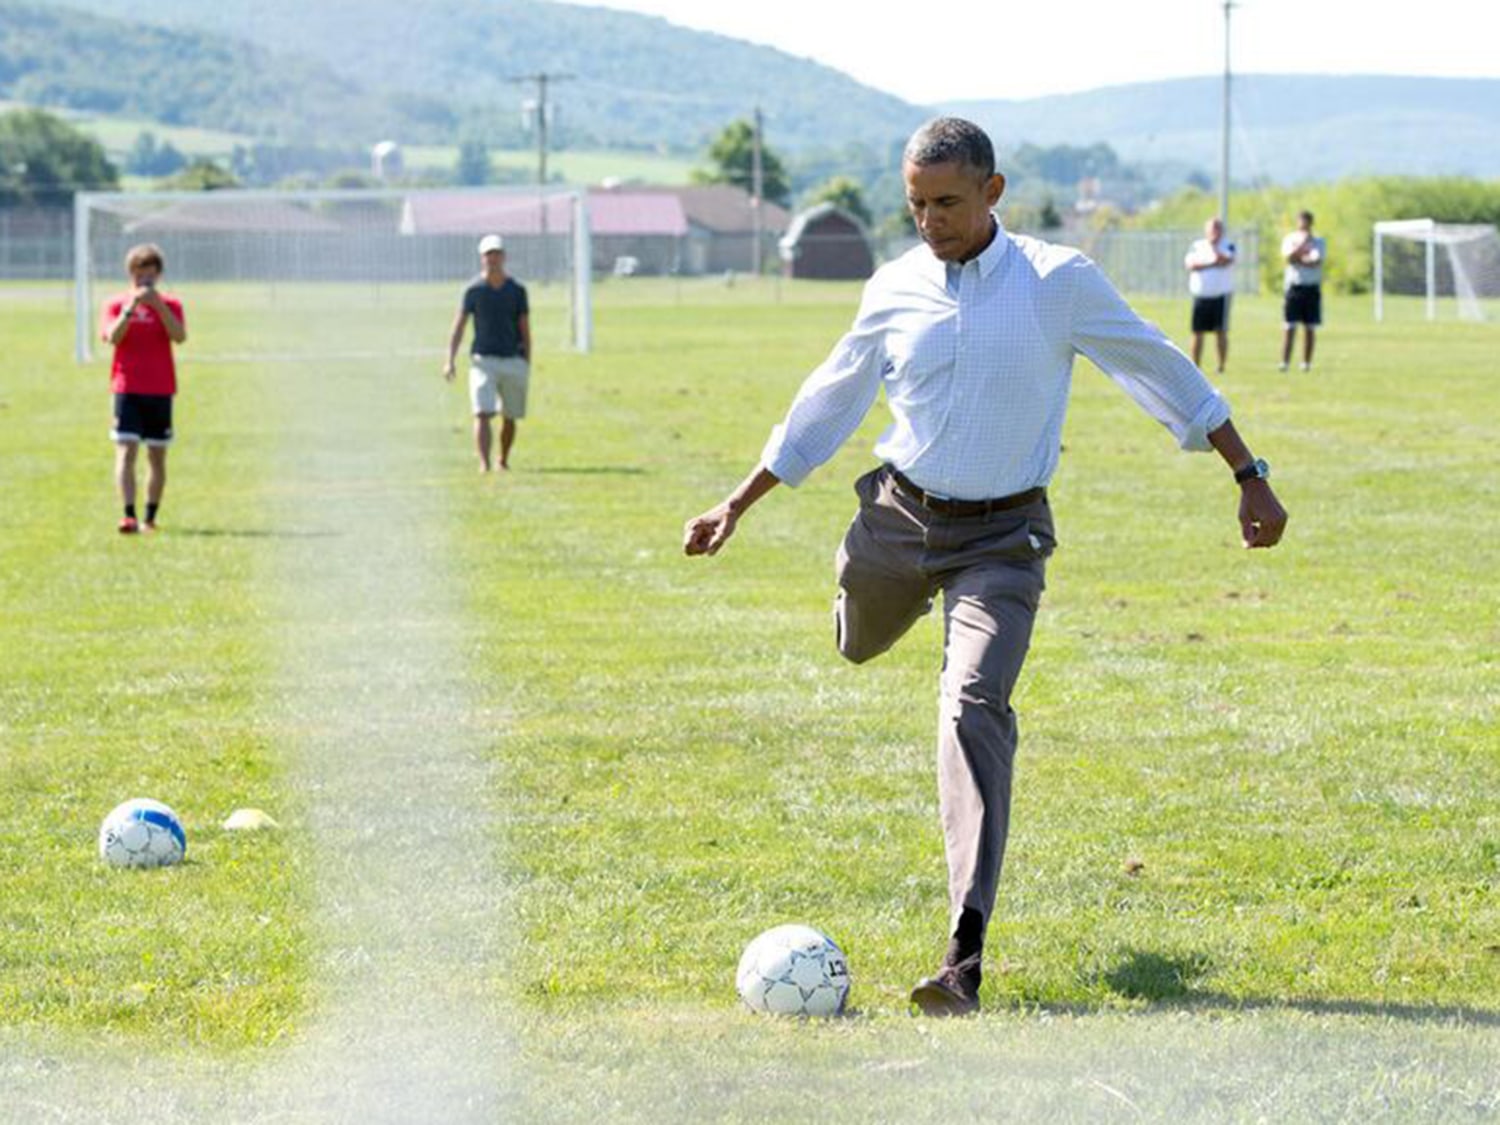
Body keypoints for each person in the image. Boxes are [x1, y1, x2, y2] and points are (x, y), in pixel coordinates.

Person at [682, 117, 1287, 1017]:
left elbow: (1156, 364)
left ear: (994, 192)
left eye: (949, 203)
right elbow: (829, 397)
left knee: (972, 705)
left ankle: (963, 954)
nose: (931, 220)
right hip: (896, 519)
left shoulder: (1056, 283)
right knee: (856, 643)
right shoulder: (892, 287)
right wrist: (737, 501)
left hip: (1002, 542)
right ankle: (893, 598)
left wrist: (1248, 472)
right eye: (917, 205)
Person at [100, 243, 187, 534]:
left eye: (149, 278)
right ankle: (128, 515)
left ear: (158, 276)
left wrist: (158, 305)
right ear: (130, 275)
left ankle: (150, 517)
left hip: (160, 389)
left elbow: (179, 336)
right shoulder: (116, 304)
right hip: (127, 387)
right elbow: (112, 338)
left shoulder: (171, 305)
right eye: (139, 278)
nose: (143, 284)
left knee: (157, 455)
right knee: (126, 451)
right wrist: (131, 308)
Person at [443, 234, 531, 472]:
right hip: (483, 360)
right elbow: (459, 326)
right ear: (482, 258)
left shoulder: (517, 290)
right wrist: (449, 360)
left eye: (496, 254)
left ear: (503, 257)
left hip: (512, 358)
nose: (493, 259)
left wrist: (527, 362)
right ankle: (484, 463)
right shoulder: (474, 290)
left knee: (509, 415)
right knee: (482, 412)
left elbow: (524, 327)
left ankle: (503, 459)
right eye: (488, 254)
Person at [1184, 217, 1236, 373]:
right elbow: (1191, 265)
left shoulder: (1228, 245)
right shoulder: (1197, 246)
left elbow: (1226, 260)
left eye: (1217, 228)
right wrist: (1212, 263)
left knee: (1221, 331)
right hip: (1201, 294)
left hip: (1221, 294)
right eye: (1212, 229)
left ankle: (1221, 365)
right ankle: (1195, 365)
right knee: (1197, 331)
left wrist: (1214, 249)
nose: (1214, 232)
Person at [1280, 210, 1325, 372]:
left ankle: (1306, 363)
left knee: (1310, 327)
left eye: (1307, 222)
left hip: (1311, 288)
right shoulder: (1290, 239)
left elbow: (1316, 262)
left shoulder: (1319, 242)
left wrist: (1300, 259)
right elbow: (1289, 258)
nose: (1304, 225)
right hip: (1294, 287)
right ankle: (1284, 362)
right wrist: (1301, 248)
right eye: (1301, 222)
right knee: (1289, 326)